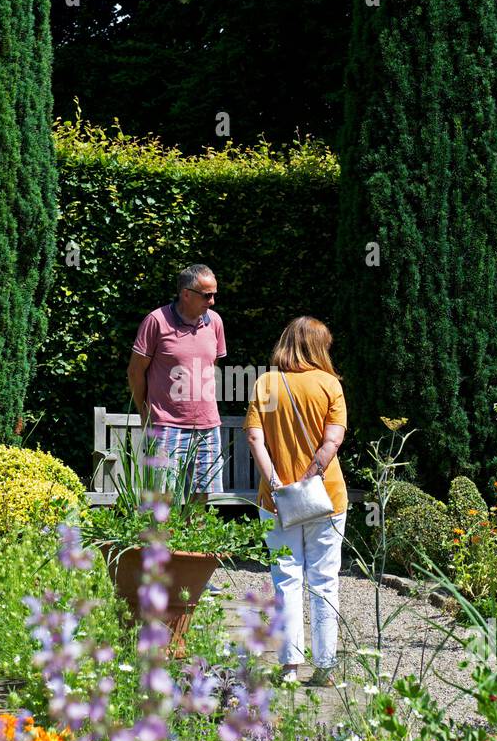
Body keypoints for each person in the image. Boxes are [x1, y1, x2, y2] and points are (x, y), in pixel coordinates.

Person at [244, 317, 348, 687]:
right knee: (324, 580)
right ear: (319, 347)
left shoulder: (266, 383)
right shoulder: (329, 384)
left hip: (275, 500)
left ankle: (289, 667)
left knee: (285, 579)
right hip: (326, 497)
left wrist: (275, 482)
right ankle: (325, 667)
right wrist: (311, 476)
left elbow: (256, 439)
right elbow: (331, 442)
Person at [127, 263, 227, 494]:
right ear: (186, 294)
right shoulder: (156, 321)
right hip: (166, 425)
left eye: (214, 295)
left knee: (204, 496)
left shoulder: (215, 323)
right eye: (207, 295)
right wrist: (145, 412)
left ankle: (197, 533)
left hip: (208, 426)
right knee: (163, 497)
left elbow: (212, 366)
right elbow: (135, 372)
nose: (212, 301)